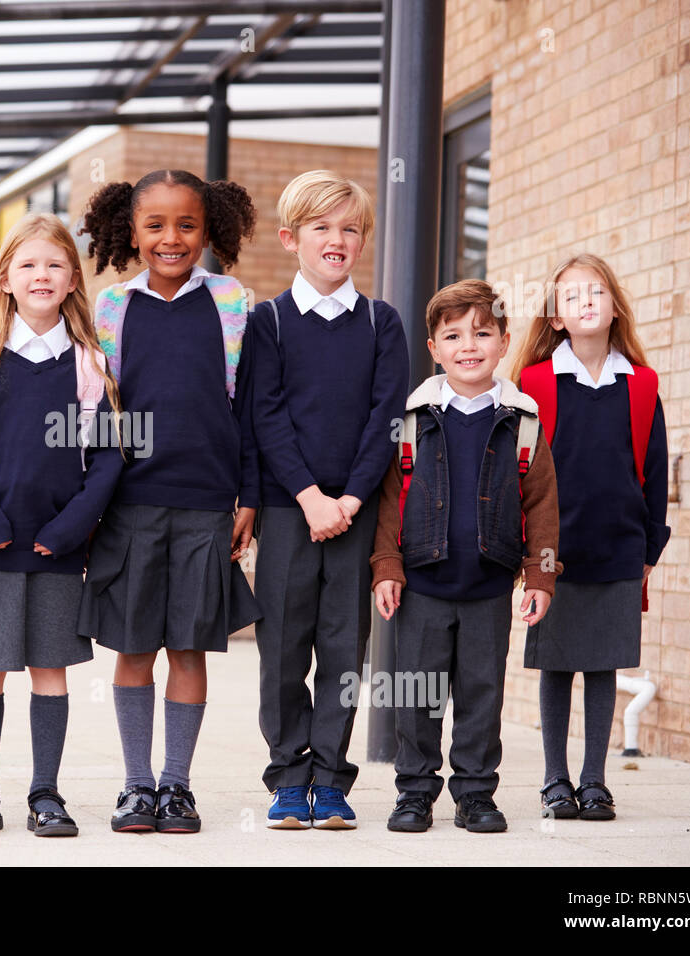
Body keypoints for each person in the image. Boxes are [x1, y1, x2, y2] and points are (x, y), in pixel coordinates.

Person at [78, 168, 261, 833]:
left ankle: (177, 785)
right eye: (154, 225)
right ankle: (135, 785)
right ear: (131, 232)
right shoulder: (110, 308)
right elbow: (99, 412)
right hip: (129, 504)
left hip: (208, 502)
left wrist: (250, 496)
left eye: (186, 224)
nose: (171, 237)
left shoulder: (233, 302)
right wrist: (91, 502)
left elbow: (248, 410)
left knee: (189, 648)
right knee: (132, 647)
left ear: (208, 227)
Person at [0, 213, 123, 838]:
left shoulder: (89, 363)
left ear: (73, 278)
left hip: (58, 547)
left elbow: (104, 459)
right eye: (28, 264)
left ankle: (46, 793)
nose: (41, 275)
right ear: (6, 278)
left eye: (54, 264)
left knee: (50, 669)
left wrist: (73, 526)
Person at [249, 170, 409, 829]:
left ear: (363, 239)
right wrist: (310, 496)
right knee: (284, 648)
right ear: (291, 238)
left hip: (355, 511)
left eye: (349, 228)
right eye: (320, 228)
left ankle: (331, 782)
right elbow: (266, 414)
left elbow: (385, 419)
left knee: (344, 650)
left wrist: (346, 500)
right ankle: (289, 779)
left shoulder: (382, 324)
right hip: (290, 511)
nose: (335, 239)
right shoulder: (269, 322)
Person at [371, 279, 560, 833]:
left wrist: (542, 577)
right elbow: (389, 501)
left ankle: (476, 793)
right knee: (417, 697)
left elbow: (543, 502)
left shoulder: (522, 421)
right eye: (453, 335)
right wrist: (387, 566)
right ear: (433, 348)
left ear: (503, 341)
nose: (468, 345)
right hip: (423, 586)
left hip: (488, 588)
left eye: (482, 333)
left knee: (482, 695)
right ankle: (415, 793)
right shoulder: (411, 419)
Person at [513, 253, 670, 822]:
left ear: (613, 306)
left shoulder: (643, 385)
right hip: (553, 553)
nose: (586, 302)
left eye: (597, 292)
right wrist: (528, 555)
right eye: (572, 295)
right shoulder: (534, 383)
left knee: (604, 665)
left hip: (621, 547)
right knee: (557, 666)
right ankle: (555, 780)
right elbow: (519, 474)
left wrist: (651, 548)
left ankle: (595, 781)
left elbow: (655, 471)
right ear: (555, 316)